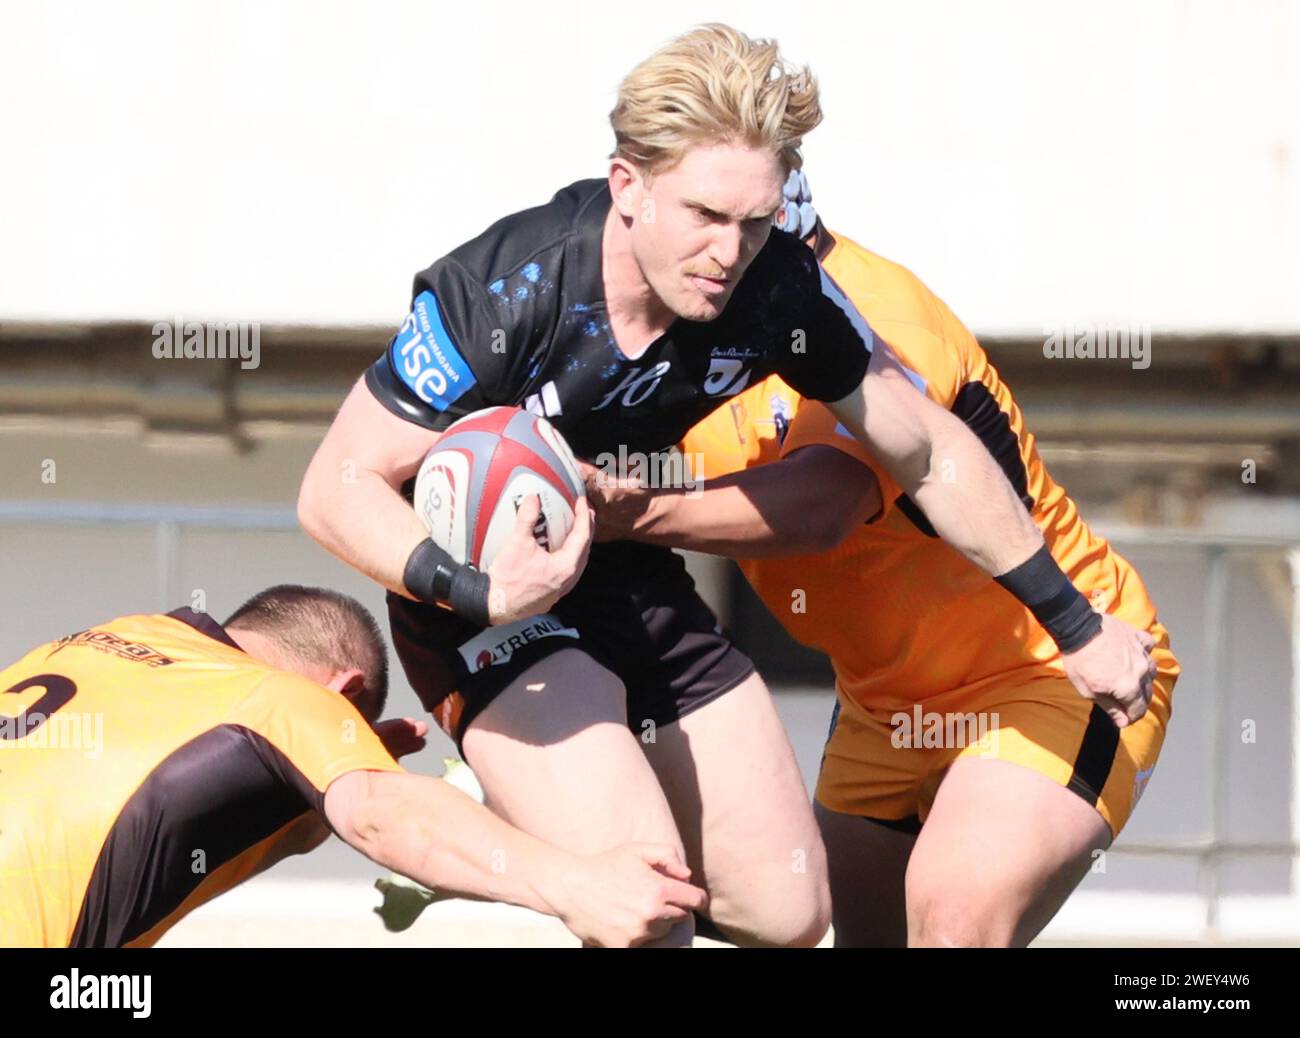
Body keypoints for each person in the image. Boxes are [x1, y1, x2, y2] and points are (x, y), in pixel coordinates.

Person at [298, 23, 1155, 947]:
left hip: (628, 570)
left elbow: (926, 452)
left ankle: (519, 829)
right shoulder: (507, 291)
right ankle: (541, 835)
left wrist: (1075, 623)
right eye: (705, 216)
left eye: (754, 223)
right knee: (647, 904)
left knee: (787, 913)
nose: (727, 252)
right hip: (485, 602)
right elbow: (333, 490)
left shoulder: (777, 291)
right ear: (628, 186)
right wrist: (485, 588)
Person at [585, 171, 1179, 946]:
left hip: (1047, 667)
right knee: (830, 926)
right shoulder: (681, 323)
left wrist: (633, 512)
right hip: (882, 707)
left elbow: (824, 503)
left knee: (952, 916)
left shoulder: (871, 314)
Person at [0, 585, 705, 948]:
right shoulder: (284, 701)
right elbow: (378, 812)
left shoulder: (101, 641)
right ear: (343, 694)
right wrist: (579, 884)